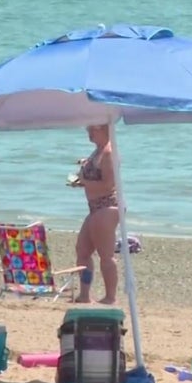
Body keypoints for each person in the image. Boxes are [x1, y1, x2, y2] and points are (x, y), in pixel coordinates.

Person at [70, 124, 120, 304]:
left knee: (105, 255)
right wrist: (81, 179)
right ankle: (85, 294)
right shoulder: (97, 151)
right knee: (82, 251)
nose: (89, 133)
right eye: (88, 130)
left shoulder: (108, 153)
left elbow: (108, 185)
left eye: (93, 130)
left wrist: (83, 183)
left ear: (103, 129)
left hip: (106, 206)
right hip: (94, 207)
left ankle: (110, 297)